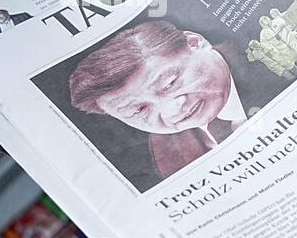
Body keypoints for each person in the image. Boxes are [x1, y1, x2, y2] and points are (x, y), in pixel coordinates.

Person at [67, 20, 267, 182]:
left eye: (169, 83)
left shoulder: (268, 54)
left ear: (194, 43)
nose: (173, 110)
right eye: (139, 110)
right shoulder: (161, 155)